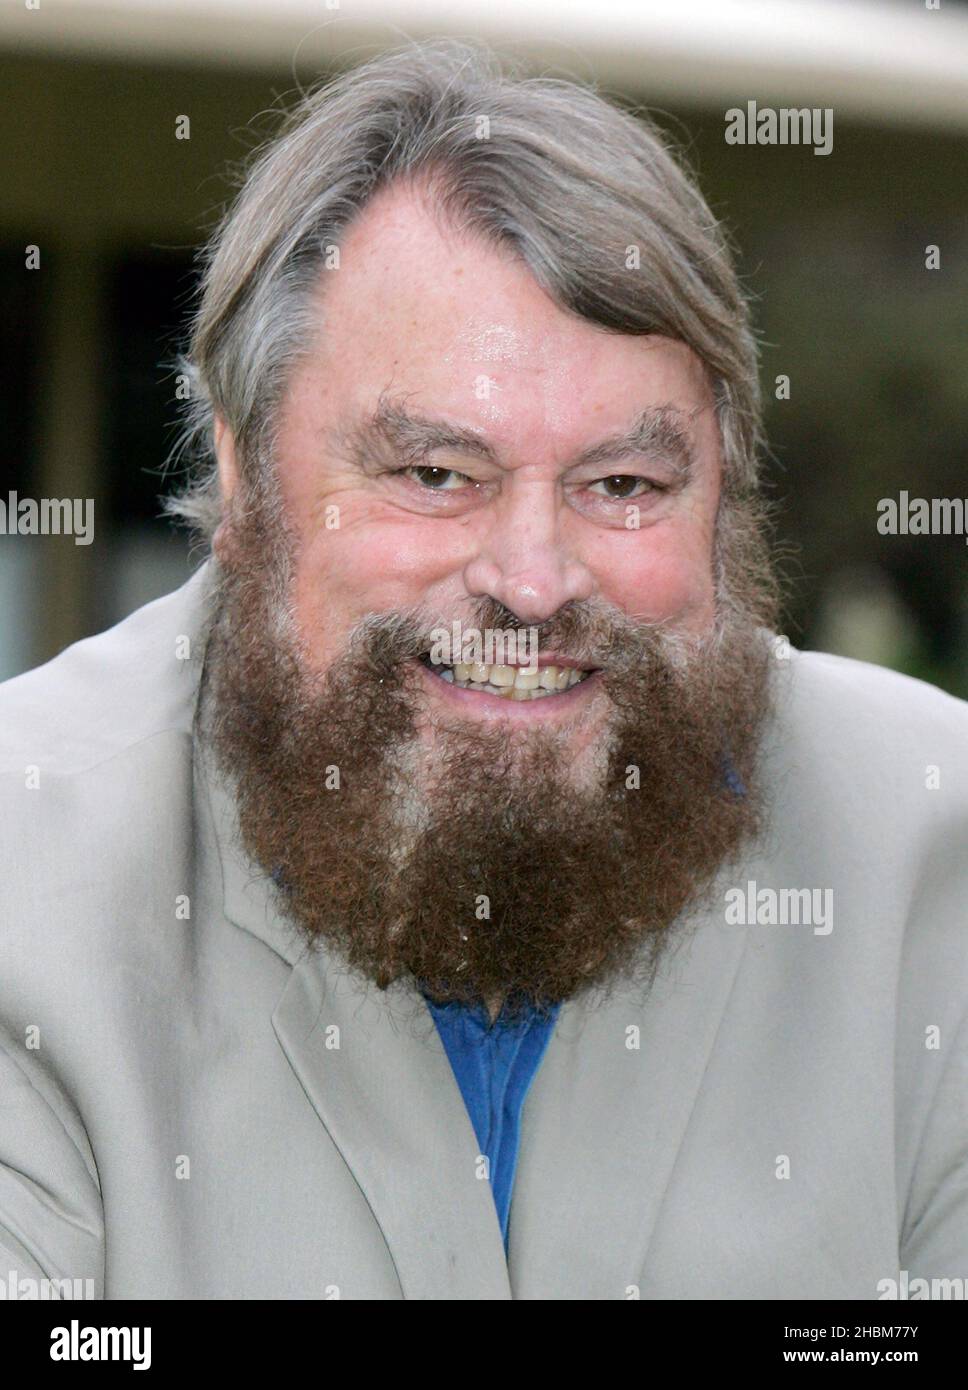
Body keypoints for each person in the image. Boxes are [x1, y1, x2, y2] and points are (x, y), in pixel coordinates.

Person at [1, 38, 965, 1301]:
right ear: (242, 481)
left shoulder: (929, 853)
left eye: (621, 485)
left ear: (724, 499)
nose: (531, 575)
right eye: (435, 475)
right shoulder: (25, 870)